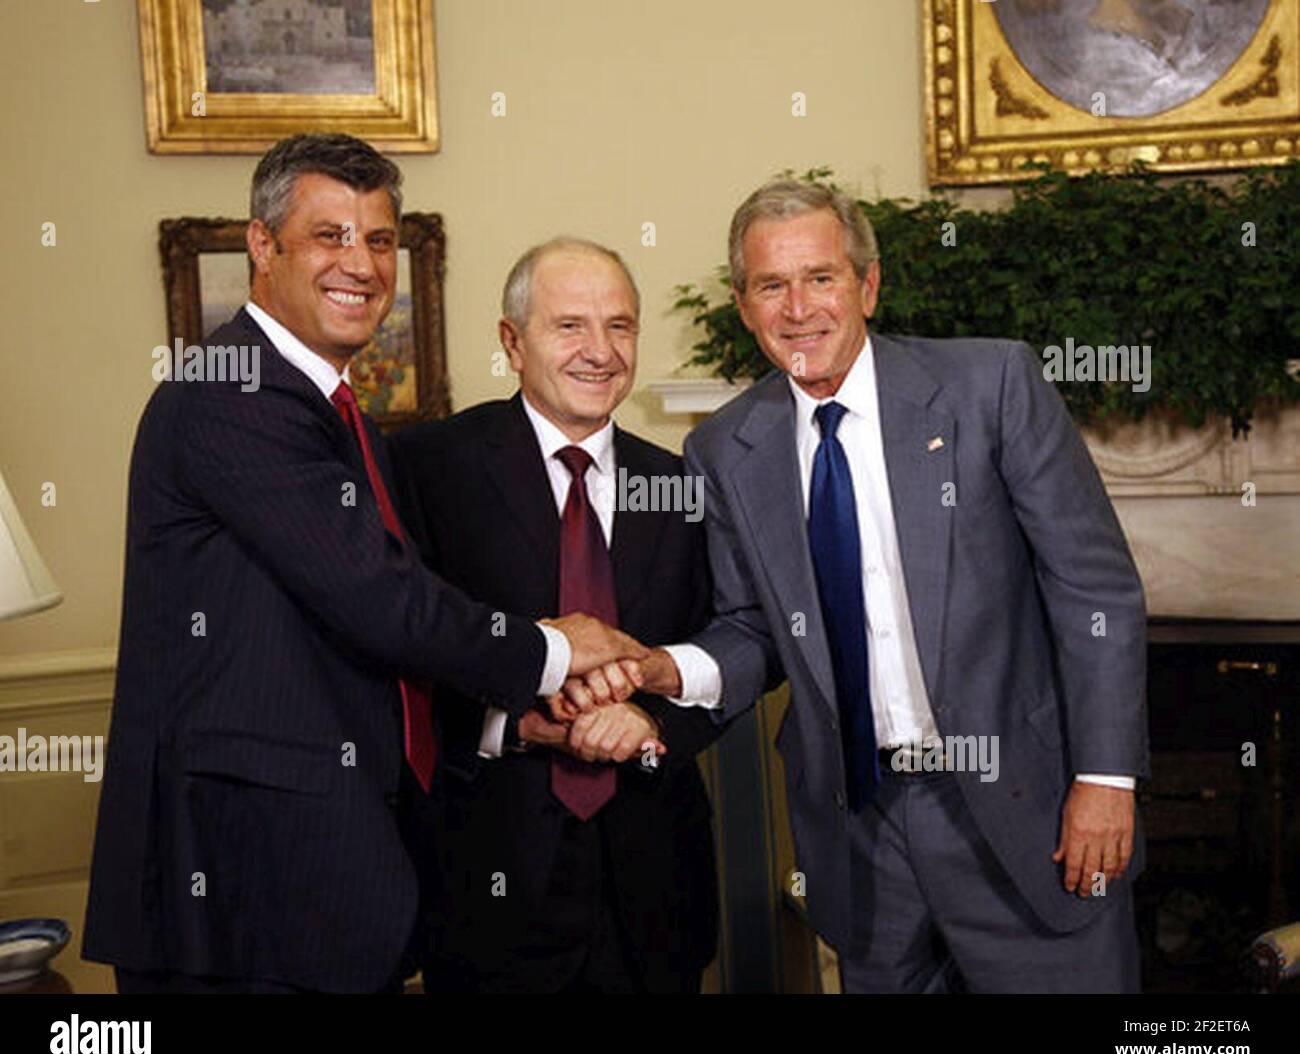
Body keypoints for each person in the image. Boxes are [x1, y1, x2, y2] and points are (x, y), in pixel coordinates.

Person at [83, 135, 641, 995]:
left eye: (378, 240)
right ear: (262, 246)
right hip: (239, 895)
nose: (362, 264)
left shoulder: (344, 417)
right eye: (329, 235)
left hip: (324, 886)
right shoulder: (231, 394)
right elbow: (380, 600)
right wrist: (556, 650)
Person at [617, 178, 1149, 993]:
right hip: (860, 836)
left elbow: (1095, 590)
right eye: (771, 285)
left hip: (1027, 812)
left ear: (867, 284)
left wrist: (1106, 781)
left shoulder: (990, 387)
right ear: (743, 302)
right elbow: (755, 628)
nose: (799, 308)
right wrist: (664, 670)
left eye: (821, 277)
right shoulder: (725, 450)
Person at [389, 238, 720, 993]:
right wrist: (510, 725)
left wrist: (656, 723)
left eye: (621, 326)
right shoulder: (428, 468)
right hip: (487, 888)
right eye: (569, 326)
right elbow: (392, 654)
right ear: (512, 342)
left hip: (656, 890)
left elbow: (731, 648)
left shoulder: (680, 483)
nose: (599, 352)